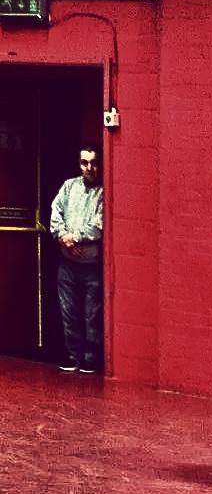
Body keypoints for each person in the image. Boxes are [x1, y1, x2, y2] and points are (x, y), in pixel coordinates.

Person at [49, 145, 103, 373]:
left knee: (92, 314)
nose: (89, 168)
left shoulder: (104, 191)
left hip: (91, 266)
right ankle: (73, 355)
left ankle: (90, 358)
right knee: (68, 312)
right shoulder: (69, 187)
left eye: (93, 162)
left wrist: (75, 238)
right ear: (79, 163)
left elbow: (99, 225)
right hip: (67, 265)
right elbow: (55, 211)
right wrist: (63, 236)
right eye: (84, 162)